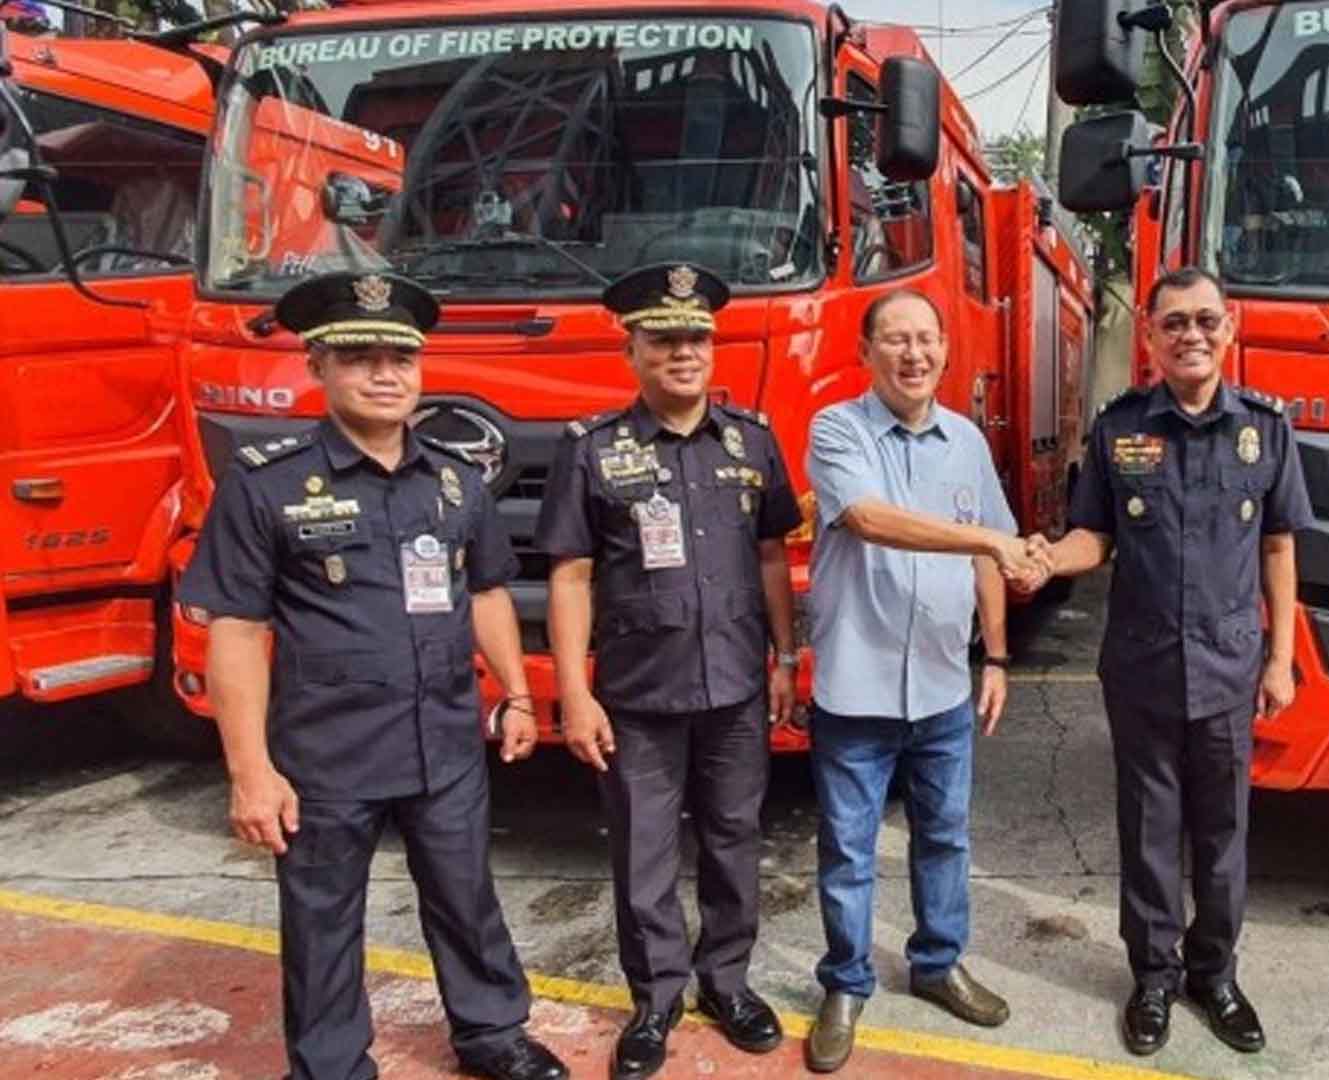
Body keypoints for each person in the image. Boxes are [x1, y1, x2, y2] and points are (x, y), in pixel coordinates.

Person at [179, 271, 566, 1080]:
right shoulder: (266, 482)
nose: (385, 374)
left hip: (446, 742)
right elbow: (238, 632)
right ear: (318, 367)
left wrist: (518, 695)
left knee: (467, 901)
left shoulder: (455, 479)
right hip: (327, 756)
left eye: (400, 355)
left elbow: (488, 590)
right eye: (359, 357)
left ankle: (492, 1034)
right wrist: (250, 772)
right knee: (321, 923)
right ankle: (328, 1065)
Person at [1024, 266, 1312, 1057]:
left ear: (1231, 329)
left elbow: (1280, 546)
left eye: (1206, 320)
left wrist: (1281, 659)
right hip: (1143, 666)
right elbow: (1094, 538)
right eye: (1175, 322)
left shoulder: (1265, 428)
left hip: (1227, 666)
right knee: (1149, 829)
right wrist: (1048, 561)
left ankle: (1214, 976)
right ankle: (1153, 977)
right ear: (1149, 336)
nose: (1192, 335)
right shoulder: (1119, 430)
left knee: (1223, 834)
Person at [532, 263, 801, 1080]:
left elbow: (770, 557)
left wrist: (785, 658)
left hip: (735, 687)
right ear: (634, 351)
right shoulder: (593, 450)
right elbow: (570, 576)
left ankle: (728, 984)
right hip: (638, 693)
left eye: (697, 338)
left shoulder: (751, 441)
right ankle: (655, 999)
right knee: (644, 851)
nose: (684, 352)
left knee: (733, 840)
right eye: (665, 339)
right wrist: (574, 692)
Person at [798, 287, 1044, 1074]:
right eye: (896, 340)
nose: (914, 354)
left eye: (927, 340)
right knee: (848, 849)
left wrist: (997, 656)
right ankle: (845, 983)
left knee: (944, 838)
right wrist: (989, 539)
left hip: (941, 686)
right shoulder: (838, 429)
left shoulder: (966, 440)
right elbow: (867, 518)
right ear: (867, 353)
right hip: (856, 687)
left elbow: (988, 560)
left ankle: (938, 964)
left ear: (945, 349)